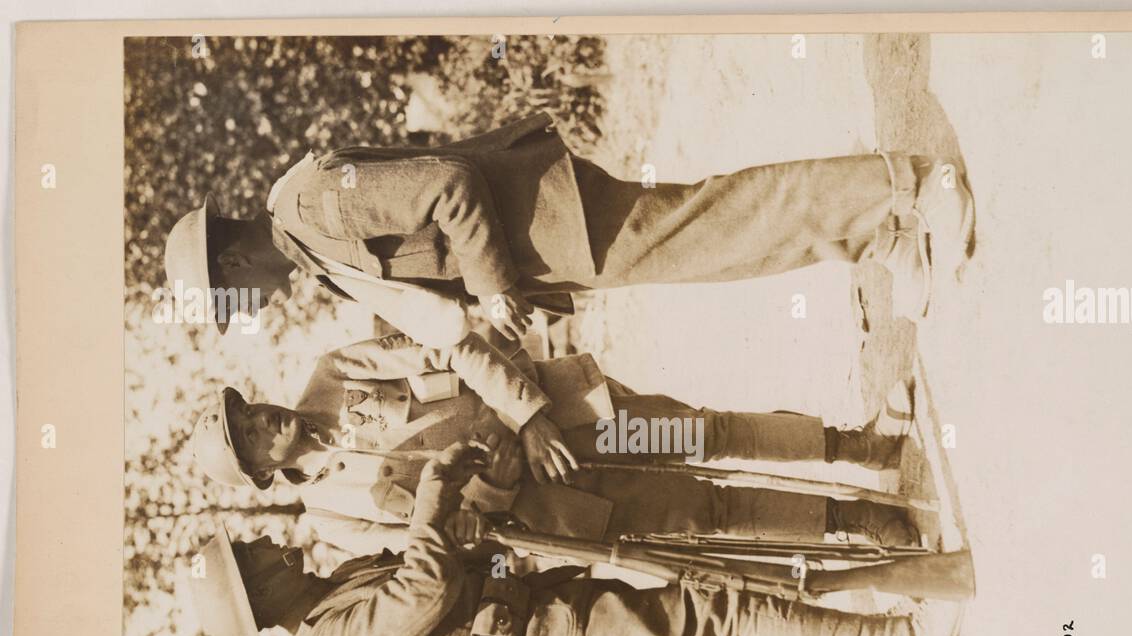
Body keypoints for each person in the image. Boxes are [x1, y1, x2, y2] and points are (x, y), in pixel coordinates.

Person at [178, 439, 964, 636]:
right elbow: (423, 590)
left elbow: (443, 581)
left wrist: (462, 510)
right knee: (716, 608)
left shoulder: (332, 598)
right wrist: (426, 508)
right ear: (258, 594)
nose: (269, 544)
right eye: (256, 557)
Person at [163, 112, 975, 344]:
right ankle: (882, 232)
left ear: (234, 259)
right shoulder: (308, 246)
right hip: (551, 240)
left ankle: (904, 185)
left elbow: (449, 185)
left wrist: (492, 293)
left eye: (234, 303)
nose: (251, 314)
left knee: (724, 221)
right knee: (722, 246)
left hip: (551, 217)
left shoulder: (310, 209)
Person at [187, 333, 923, 554]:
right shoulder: (334, 519)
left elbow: (453, 350)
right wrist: (499, 488)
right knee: (708, 511)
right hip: (552, 503)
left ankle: (859, 445)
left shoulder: (334, 370)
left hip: (562, 421)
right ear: (260, 473)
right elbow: (435, 545)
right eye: (251, 438)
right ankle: (857, 524)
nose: (265, 422)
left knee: (706, 430)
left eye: (249, 411)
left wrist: (528, 417)